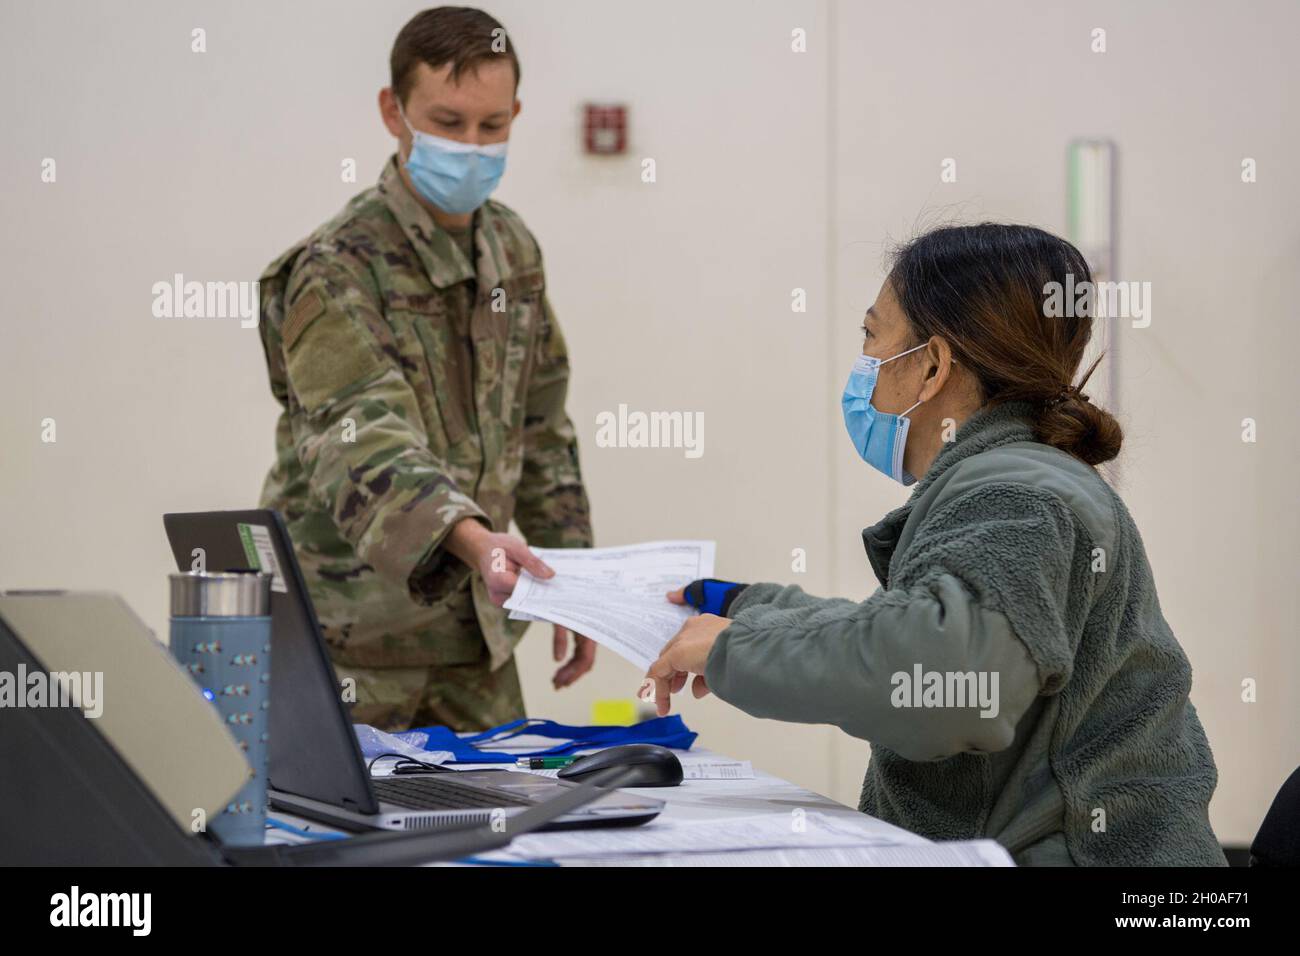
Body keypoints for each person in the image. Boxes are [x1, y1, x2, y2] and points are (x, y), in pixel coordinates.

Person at [645, 223, 1226, 866]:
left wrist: (737, 649)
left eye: (872, 338)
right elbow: (923, 629)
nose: (863, 366)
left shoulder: (1018, 495)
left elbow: (951, 682)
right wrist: (749, 607)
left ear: (932, 365)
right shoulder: (1012, 478)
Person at [256, 7, 595, 732]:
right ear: (394, 110)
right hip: (348, 642)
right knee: (331, 841)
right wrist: (476, 542)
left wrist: (579, 583)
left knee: (507, 833)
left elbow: (542, 426)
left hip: (479, 644)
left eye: (492, 126)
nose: (471, 146)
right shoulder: (338, 265)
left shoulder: (512, 249)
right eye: (447, 123)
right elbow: (362, 442)